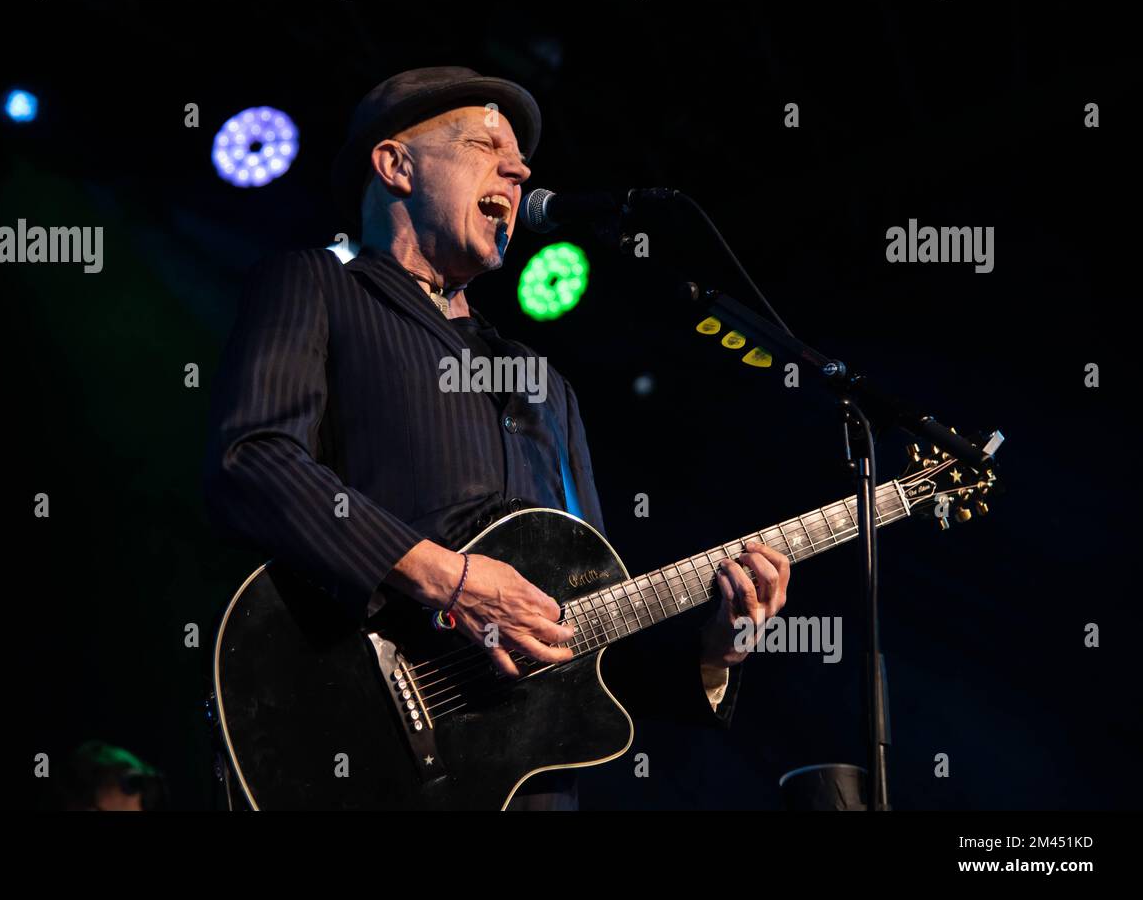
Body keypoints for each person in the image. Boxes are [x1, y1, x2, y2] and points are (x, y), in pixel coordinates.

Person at [203, 66, 791, 809]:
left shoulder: (547, 385)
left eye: (518, 163)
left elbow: (584, 628)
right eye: (486, 146)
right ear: (394, 165)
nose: (518, 171)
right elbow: (249, 462)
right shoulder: (317, 285)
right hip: (359, 749)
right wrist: (447, 579)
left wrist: (718, 649)